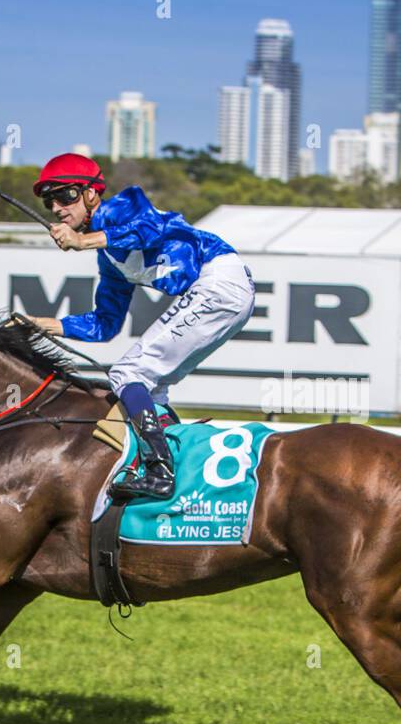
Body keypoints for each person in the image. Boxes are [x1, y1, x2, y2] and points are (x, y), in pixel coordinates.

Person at [24, 153, 255, 500]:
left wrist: (83, 240)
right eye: (49, 201)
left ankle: (160, 472)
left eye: (66, 196)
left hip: (219, 280)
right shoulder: (110, 260)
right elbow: (105, 324)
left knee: (127, 372)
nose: (57, 208)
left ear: (91, 194)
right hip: (223, 292)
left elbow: (149, 231)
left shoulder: (126, 205)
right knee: (151, 386)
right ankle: (175, 469)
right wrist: (45, 325)